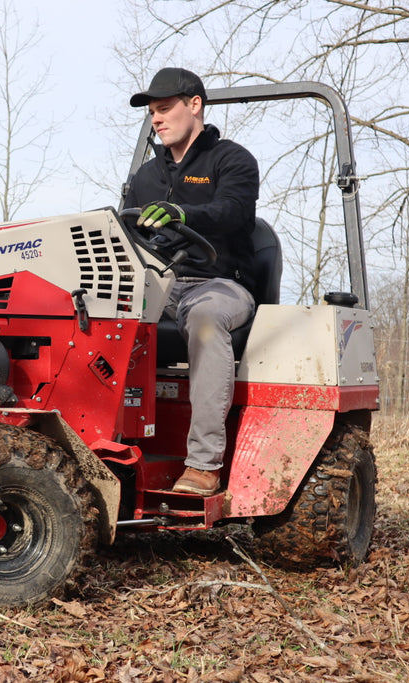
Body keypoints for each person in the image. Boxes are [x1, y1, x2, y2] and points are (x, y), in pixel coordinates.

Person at [126, 67, 260, 496]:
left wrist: (186, 215)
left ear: (195, 105)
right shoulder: (146, 177)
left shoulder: (231, 160)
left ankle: (203, 465)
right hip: (158, 285)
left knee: (204, 319)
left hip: (218, 284)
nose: (156, 120)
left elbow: (234, 211)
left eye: (164, 109)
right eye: (152, 113)